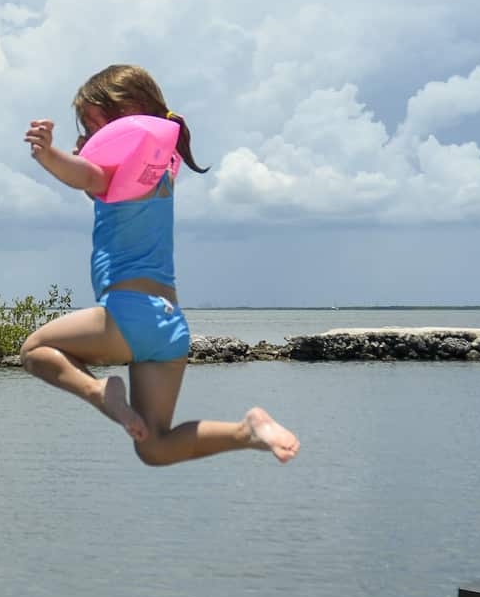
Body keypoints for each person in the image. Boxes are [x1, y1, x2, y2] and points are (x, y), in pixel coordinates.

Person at [20, 64, 299, 466]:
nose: (88, 132)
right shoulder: (160, 171)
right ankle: (247, 431)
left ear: (127, 112)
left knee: (34, 349)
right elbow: (99, 186)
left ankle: (99, 394)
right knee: (154, 445)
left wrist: (49, 154)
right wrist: (89, 156)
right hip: (169, 327)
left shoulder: (117, 174)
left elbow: (87, 177)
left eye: (92, 123)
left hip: (128, 315)